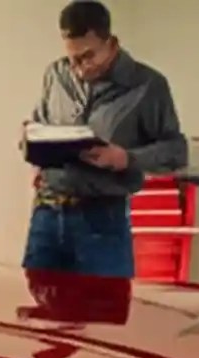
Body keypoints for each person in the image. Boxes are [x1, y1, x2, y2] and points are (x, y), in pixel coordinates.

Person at [22, 1, 188, 277]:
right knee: (39, 313)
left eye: (88, 56)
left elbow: (177, 152)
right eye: (73, 58)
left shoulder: (147, 86)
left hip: (102, 219)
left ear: (111, 43)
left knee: (103, 313)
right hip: (47, 214)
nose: (80, 68)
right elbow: (40, 122)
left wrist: (126, 158)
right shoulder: (55, 75)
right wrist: (30, 138)